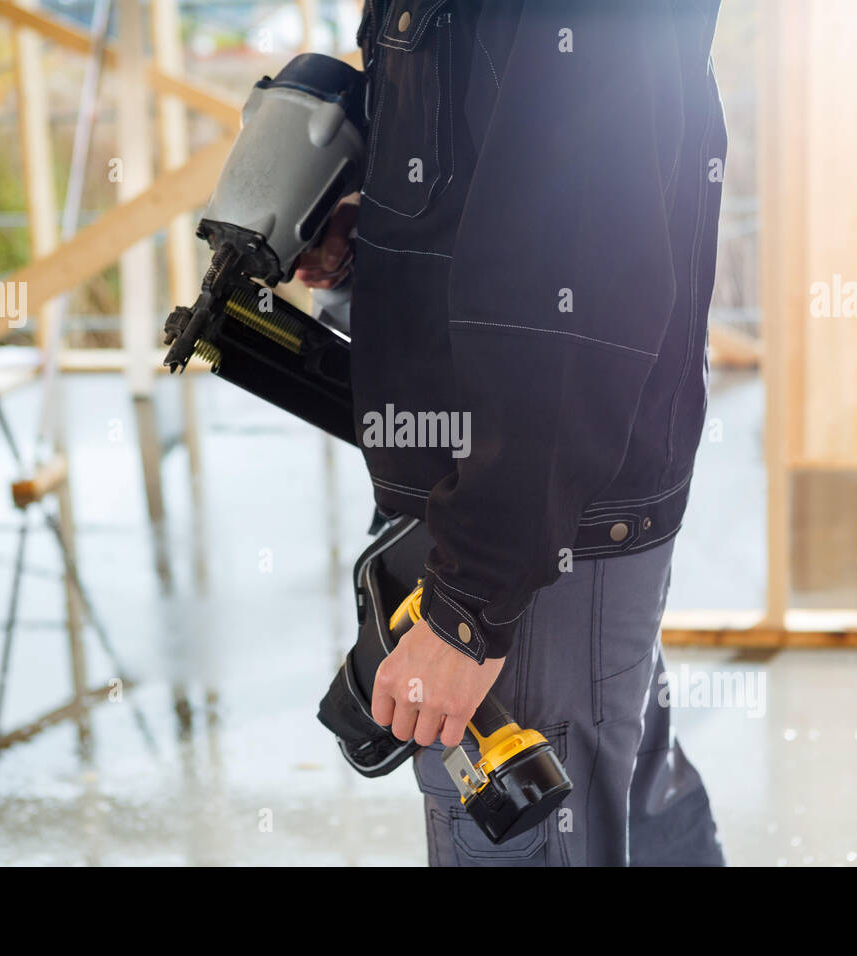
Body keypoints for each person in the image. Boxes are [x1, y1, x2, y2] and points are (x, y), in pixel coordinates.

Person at [298, 0, 727, 867]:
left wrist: (468, 608)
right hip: (514, 503)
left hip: (530, 525)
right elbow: (498, 183)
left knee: (528, 830)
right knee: (626, 787)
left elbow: (576, 273)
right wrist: (377, 234)